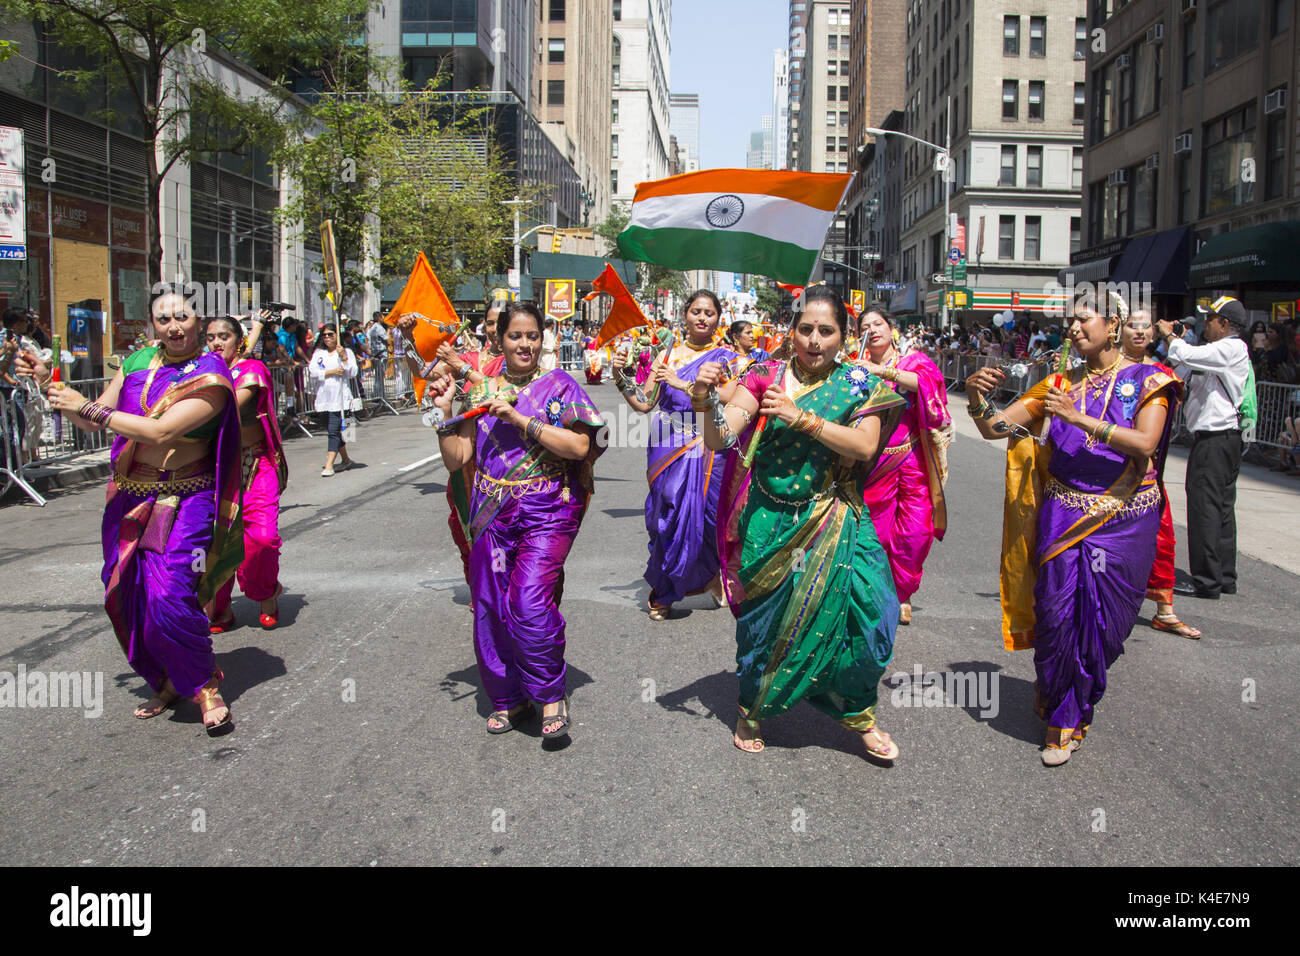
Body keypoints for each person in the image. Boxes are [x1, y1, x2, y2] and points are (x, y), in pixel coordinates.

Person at [694, 286, 907, 759]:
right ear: (791, 332)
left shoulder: (858, 383)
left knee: (873, 619)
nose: (814, 340)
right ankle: (753, 708)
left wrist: (800, 418)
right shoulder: (765, 376)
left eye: (826, 331)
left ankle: (859, 713)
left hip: (836, 514)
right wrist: (707, 399)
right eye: (805, 329)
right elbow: (721, 439)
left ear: (844, 336)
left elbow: (865, 446)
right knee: (765, 626)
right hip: (770, 519)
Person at [966, 297, 1181, 765]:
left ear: (1114, 323)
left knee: (1105, 625)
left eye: (1085, 319)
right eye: (1071, 322)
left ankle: (1078, 701)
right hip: (1063, 512)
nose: (1075, 328)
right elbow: (997, 429)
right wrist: (978, 397)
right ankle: (1062, 715)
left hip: (1125, 516)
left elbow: (1145, 443)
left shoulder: (1151, 380)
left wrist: (1078, 419)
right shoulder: (1059, 384)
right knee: (1058, 614)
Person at [28, 289, 242, 735]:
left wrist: (82, 406)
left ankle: (205, 686)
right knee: (131, 595)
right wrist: (54, 385)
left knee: (168, 593)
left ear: (198, 321)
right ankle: (166, 678)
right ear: (152, 325)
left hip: (186, 499)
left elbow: (161, 432)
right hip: (130, 497)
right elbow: (93, 416)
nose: (174, 326)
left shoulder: (211, 374)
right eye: (163, 319)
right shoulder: (138, 363)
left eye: (182, 316)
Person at [430, 301, 605, 740]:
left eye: (532, 335)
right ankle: (510, 697)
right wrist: (443, 414)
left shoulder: (559, 386)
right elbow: (459, 459)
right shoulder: (478, 391)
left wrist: (520, 419)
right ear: (499, 341)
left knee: (527, 601)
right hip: (492, 509)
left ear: (543, 339)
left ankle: (550, 695)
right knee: (490, 606)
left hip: (548, 508)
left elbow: (581, 446)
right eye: (515, 336)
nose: (524, 343)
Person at [612, 290, 741, 620]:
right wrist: (620, 377)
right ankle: (665, 589)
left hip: (709, 443)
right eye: (696, 311)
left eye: (709, 312)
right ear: (685, 314)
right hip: (668, 443)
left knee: (711, 520)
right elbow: (644, 402)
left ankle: (711, 575)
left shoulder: (726, 357)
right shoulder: (666, 355)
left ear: (718, 318)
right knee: (666, 518)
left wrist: (684, 385)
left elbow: (728, 396)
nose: (702, 317)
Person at [856, 303, 951, 625]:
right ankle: (879, 592)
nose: (873, 330)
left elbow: (931, 387)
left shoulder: (914, 363)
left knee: (914, 533)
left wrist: (885, 373)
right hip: (873, 466)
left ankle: (903, 594)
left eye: (878, 323)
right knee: (877, 534)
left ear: (891, 328)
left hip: (911, 461)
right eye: (865, 327)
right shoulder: (856, 369)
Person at [1157, 297, 1250, 600]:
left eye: (1210, 319)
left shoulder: (1232, 347)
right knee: (1221, 508)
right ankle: (1223, 576)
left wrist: (1170, 336)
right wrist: (1179, 345)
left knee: (1205, 509)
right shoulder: (1212, 353)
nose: (1205, 324)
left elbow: (1182, 352)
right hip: (1219, 439)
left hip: (1216, 438)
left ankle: (1206, 580)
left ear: (1224, 324)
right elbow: (1180, 367)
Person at [206, 315, 288, 632]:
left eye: (223, 336)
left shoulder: (251, 370)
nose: (216, 342)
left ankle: (266, 593)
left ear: (239, 340)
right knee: (217, 541)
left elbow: (229, 406)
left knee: (263, 538)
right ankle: (221, 608)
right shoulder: (205, 373)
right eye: (211, 337)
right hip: (216, 469)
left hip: (256, 464)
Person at [1122, 311, 1199, 639]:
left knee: (1162, 539)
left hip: (1146, 475)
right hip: (1101, 476)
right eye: (1131, 325)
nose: (1139, 332)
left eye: (1145, 326)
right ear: (1116, 328)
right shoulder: (1099, 371)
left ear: (1154, 332)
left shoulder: (1160, 374)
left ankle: (1164, 610)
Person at [309, 324, 358, 477]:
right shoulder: (319, 353)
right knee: (333, 430)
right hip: (324, 396)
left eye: (330, 334)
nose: (327, 337)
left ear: (337, 335)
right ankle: (345, 459)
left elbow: (352, 372)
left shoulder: (346, 351)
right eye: (324, 335)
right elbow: (313, 371)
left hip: (340, 397)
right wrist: (330, 372)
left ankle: (329, 464)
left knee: (333, 430)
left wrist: (343, 357)